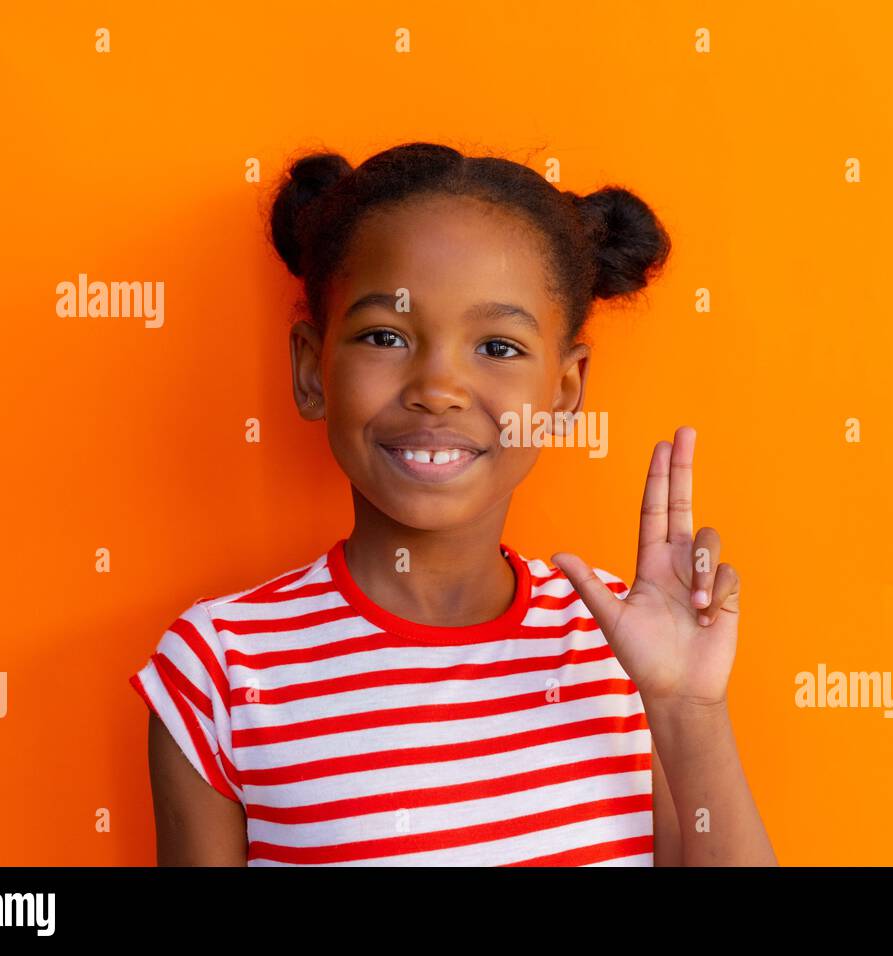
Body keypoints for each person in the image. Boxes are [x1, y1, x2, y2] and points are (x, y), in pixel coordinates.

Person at [130, 141, 776, 866]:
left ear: (564, 392)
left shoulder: (628, 649)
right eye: (385, 336)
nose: (437, 387)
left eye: (497, 347)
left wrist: (690, 713)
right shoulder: (223, 668)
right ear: (313, 369)